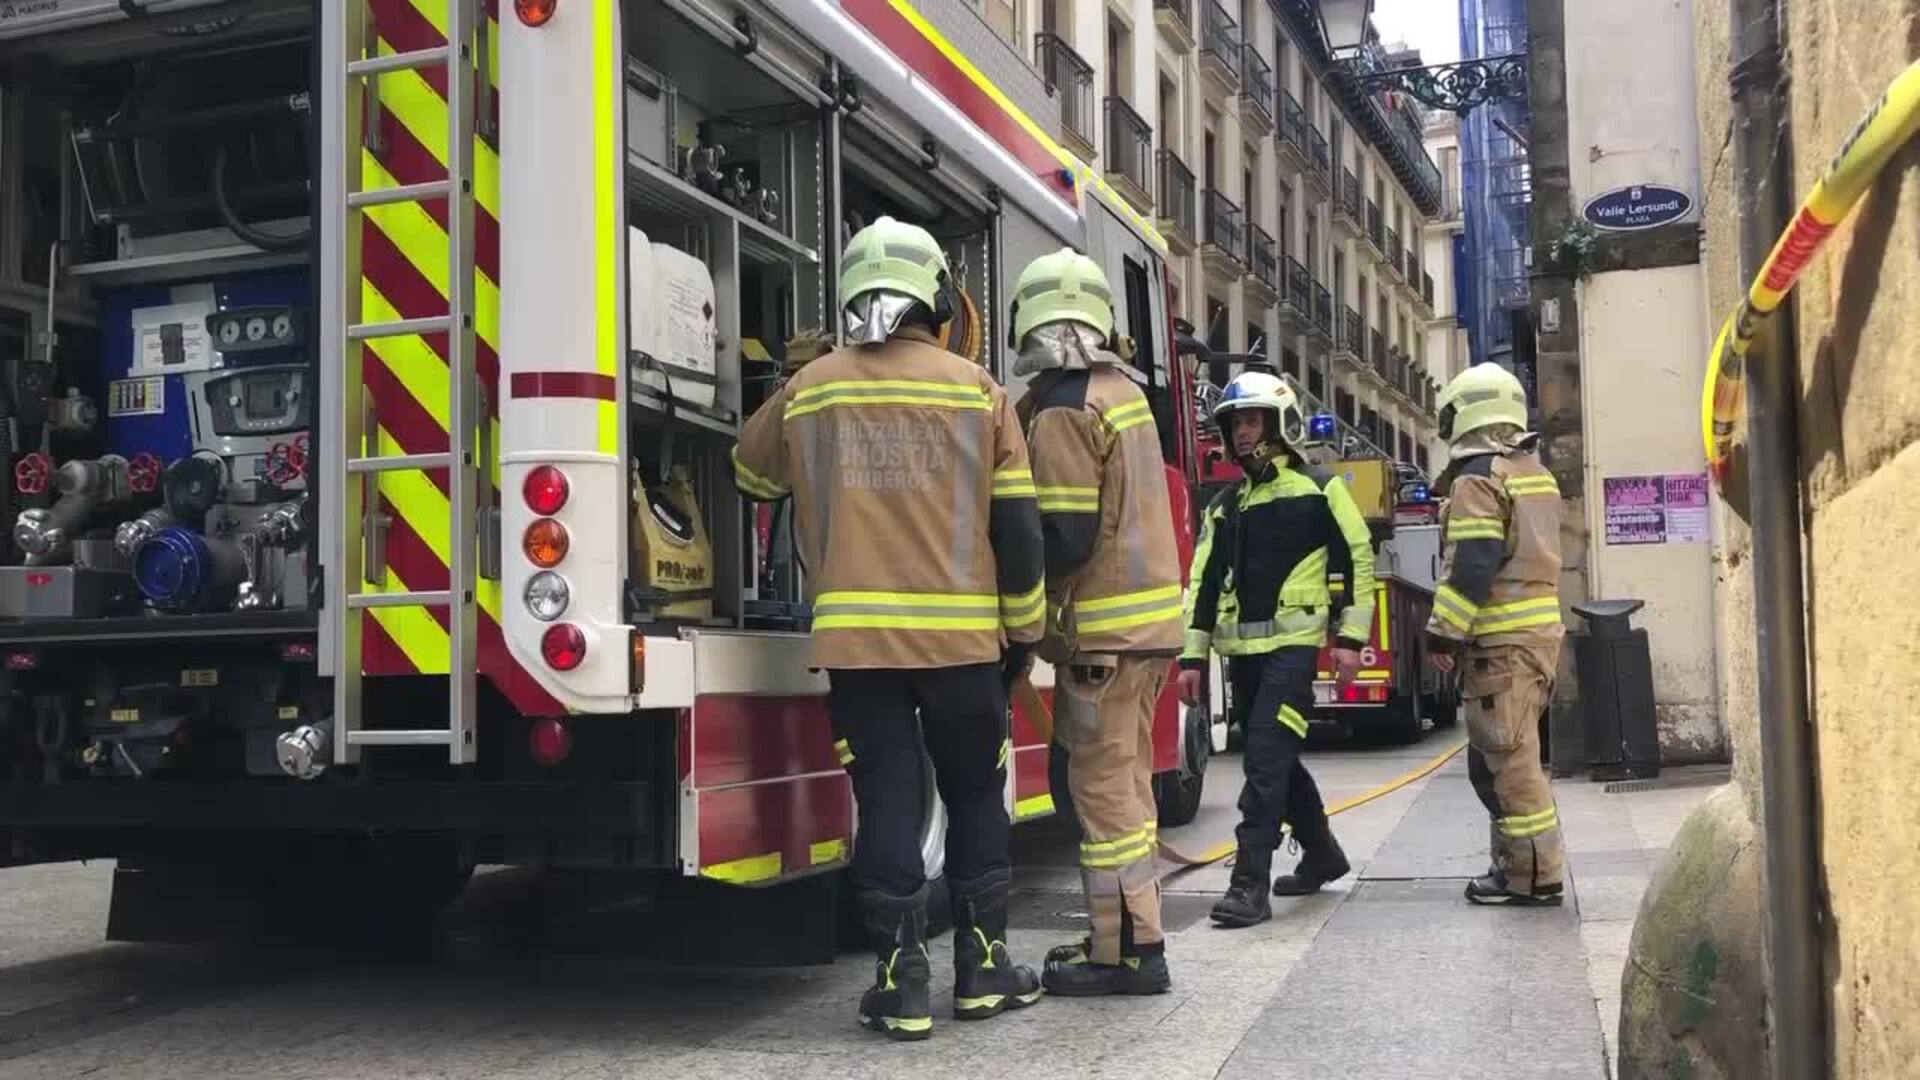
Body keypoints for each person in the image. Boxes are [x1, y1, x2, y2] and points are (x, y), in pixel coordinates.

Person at [731, 216, 1047, 1039]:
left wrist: (798, 393)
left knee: (888, 800)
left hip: (857, 646)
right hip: (965, 646)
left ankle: (900, 984)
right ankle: (982, 970)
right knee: (976, 792)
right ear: (935, 297)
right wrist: (1024, 633)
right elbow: (1017, 529)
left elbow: (747, 474)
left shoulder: (816, 387)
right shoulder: (980, 390)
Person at [1003, 249, 1184, 996]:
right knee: (1127, 793)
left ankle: (1132, 951)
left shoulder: (1064, 408)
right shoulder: (1123, 393)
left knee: (1103, 796)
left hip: (1100, 644)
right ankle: (1119, 941)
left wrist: (1022, 619)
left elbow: (1066, 534)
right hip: (1145, 637)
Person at [1175, 371, 1375, 927]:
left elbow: (1357, 559)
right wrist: (1193, 658)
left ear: (1278, 423)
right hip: (1243, 657)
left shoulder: (1320, 488)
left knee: (1264, 760)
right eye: (1235, 422)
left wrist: (1350, 639)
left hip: (1294, 651)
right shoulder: (1225, 505)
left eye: (1252, 420)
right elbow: (1204, 581)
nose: (1242, 433)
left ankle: (1248, 885)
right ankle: (1323, 854)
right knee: (1276, 761)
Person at [1423, 363, 1566, 906]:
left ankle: (1532, 874)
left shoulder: (1479, 478)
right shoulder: (1532, 470)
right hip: (1535, 639)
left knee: (1507, 762)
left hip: (1502, 646)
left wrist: (1444, 635)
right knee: (1510, 756)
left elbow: (1473, 563)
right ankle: (1518, 867)